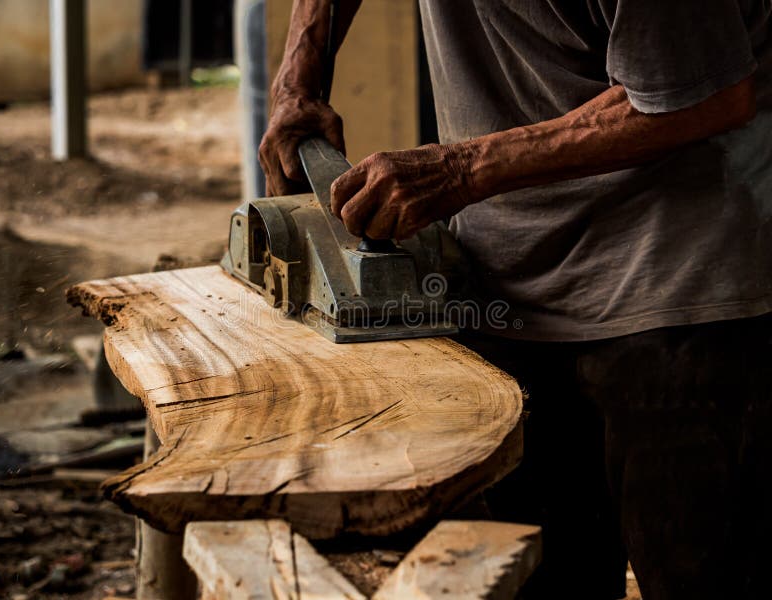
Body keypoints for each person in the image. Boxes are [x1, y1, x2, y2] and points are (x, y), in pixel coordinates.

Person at [259, 2, 772, 598]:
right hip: (500, 291)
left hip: (680, 293)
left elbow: (707, 97)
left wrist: (460, 168)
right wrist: (298, 79)